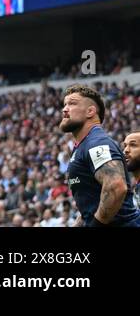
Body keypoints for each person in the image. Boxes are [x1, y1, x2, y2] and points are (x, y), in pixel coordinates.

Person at [58, 84, 139, 227]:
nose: (65, 109)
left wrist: (96, 225)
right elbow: (89, 209)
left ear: (90, 111)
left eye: (72, 103)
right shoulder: (83, 146)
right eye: (65, 104)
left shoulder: (96, 143)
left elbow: (116, 186)